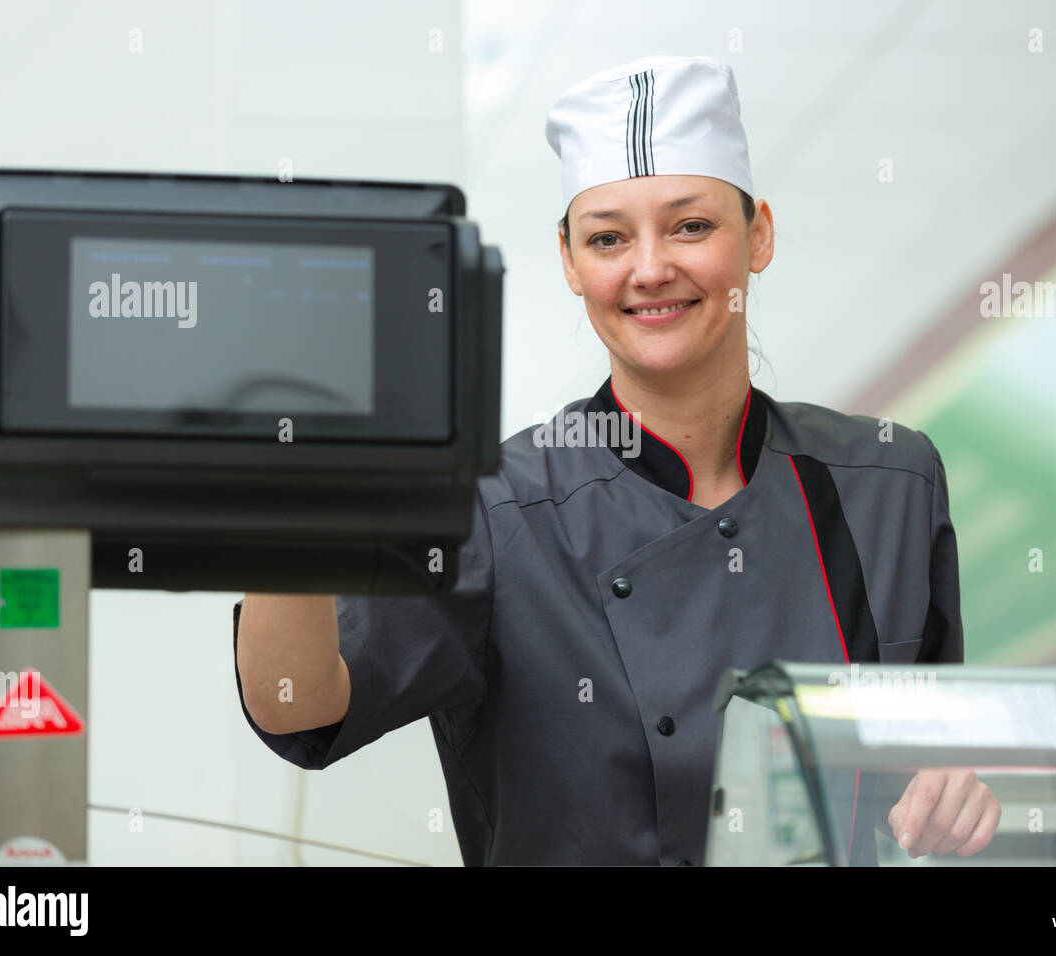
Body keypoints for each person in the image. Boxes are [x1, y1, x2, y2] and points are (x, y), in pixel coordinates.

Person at [233, 54, 999, 866]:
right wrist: (295, 502)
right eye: (607, 237)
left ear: (759, 235)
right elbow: (299, 708)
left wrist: (956, 786)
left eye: (691, 225)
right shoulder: (494, 510)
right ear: (569, 261)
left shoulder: (889, 482)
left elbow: (922, 774)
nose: (650, 268)